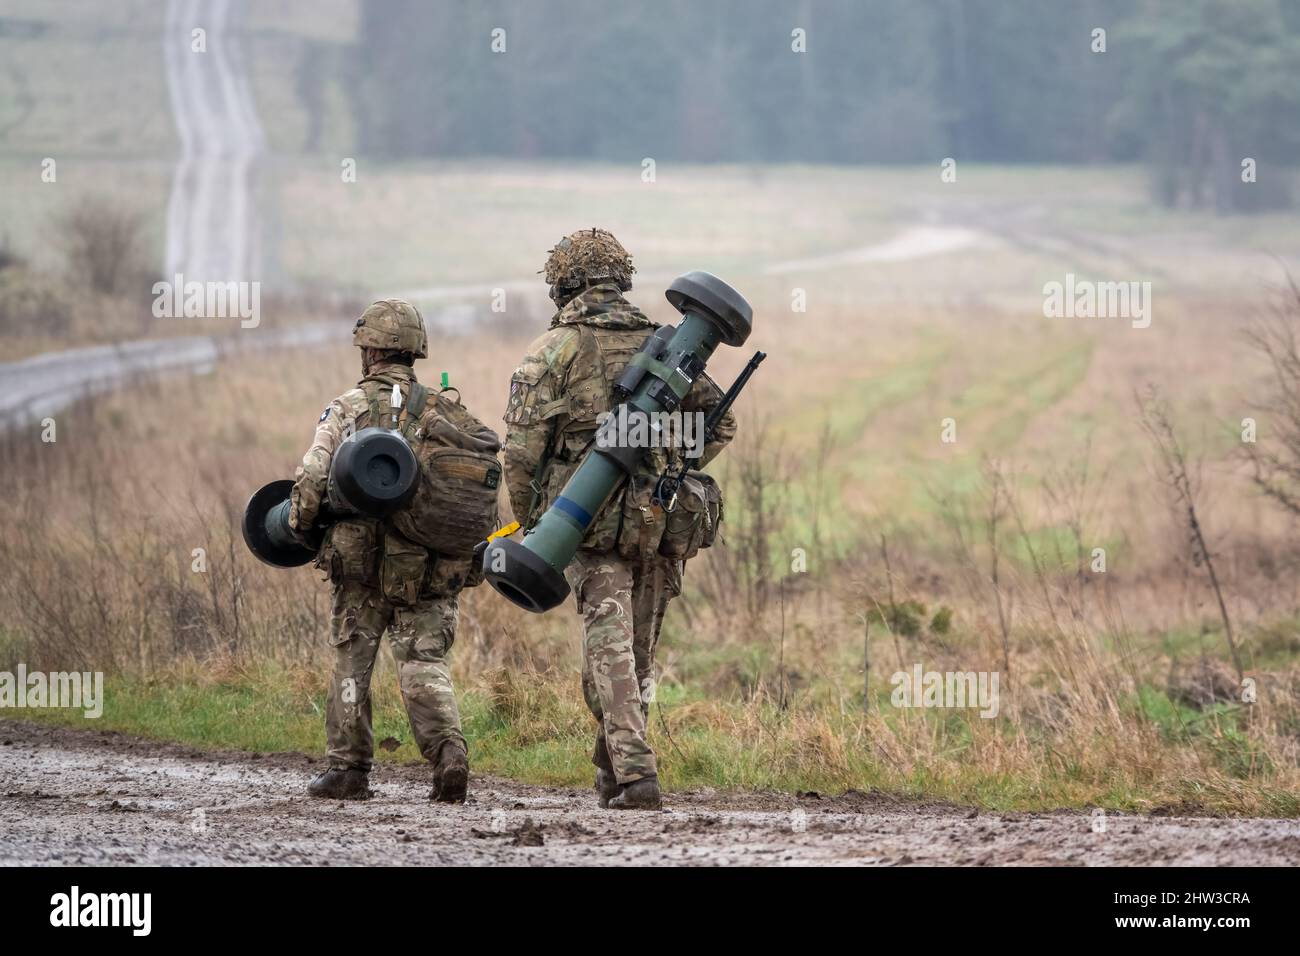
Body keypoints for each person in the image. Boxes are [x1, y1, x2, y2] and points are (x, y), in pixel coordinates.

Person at [502, 229, 736, 810]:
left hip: (585, 525)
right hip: (658, 518)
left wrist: (535, 524)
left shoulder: (551, 351)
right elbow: (719, 424)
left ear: (562, 283)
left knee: (607, 652)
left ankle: (635, 775)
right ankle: (616, 771)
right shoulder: (665, 344)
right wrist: (671, 461)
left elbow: (520, 453)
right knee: (637, 653)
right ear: (621, 278)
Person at [289, 299, 495, 803]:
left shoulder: (349, 408)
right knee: (424, 661)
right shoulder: (449, 411)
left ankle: (348, 769)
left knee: (352, 662)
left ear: (371, 350)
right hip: (430, 563)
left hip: (363, 564)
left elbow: (313, 478)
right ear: (415, 350)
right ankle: (449, 754)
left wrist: (298, 524)